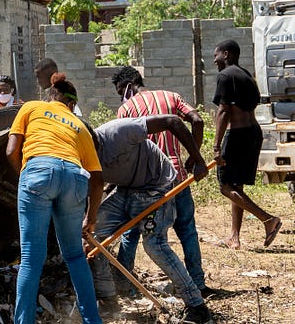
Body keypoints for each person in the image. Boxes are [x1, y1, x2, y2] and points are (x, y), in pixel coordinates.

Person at [89, 115, 211, 324]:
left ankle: (196, 305)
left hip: (156, 188)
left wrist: (198, 159)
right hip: (125, 191)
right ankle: (109, 300)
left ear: (92, 140)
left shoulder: (118, 132)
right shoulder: (79, 156)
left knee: (155, 245)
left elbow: (173, 121)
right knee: (92, 236)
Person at [6, 72, 103, 324]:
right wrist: (91, 218)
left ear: (50, 96)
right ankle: (93, 321)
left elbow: (11, 151)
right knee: (75, 255)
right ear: (71, 104)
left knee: (31, 257)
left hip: (38, 172)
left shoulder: (30, 107)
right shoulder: (80, 126)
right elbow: (97, 178)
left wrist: (27, 176)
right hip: (74, 178)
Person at [110, 66, 211, 296]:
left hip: (147, 183)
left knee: (132, 231)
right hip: (177, 178)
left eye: (120, 91)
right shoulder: (171, 97)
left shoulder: (126, 109)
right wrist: (194, 157)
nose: (121, 97)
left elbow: (124, 149)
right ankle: (198, 283)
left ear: (128, 86)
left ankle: (124, 285)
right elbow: (197, 121)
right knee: (187, 230)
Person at [211, 39, 282, 249]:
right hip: (253, 133)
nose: (214, 61)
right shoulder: (247, 76)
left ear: (226, 54)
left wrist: (216, 147)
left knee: (225, 186)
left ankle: (268, 220)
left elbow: (223, 112)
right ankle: (234, 238)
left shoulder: (225, 76)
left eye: (216, 56)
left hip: (238, 135)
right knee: (236, 185)